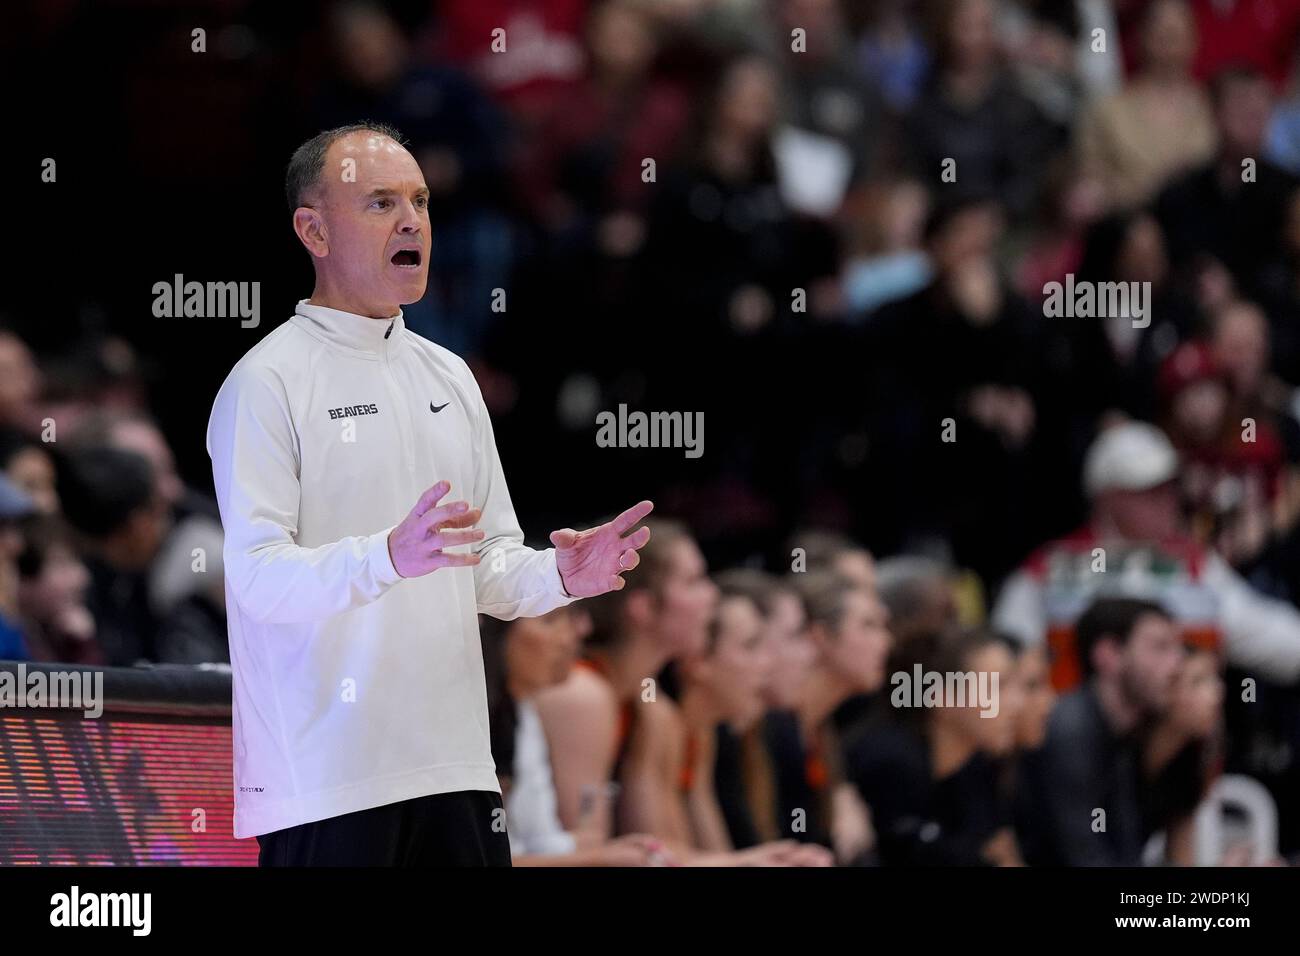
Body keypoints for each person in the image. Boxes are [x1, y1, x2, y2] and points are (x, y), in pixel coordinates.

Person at [206, 122, 654, 866]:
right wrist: (385, 556)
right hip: (328, 782)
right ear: (313, 231)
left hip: (458, 768)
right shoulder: (266, 382)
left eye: (419, 201)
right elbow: (255, 578)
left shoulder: (450, 375)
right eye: (381, 203)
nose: (412, 220)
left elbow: (485, 564)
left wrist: (559, 574)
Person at [993, 420, 1300, 688]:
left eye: (1169, 487)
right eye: (1148, 490)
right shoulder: (1049, 568)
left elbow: (1268, 635)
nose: (1166, 501)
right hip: (1071, 733)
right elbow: (1002, 663)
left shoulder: (1194, 564)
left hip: (1178, 734)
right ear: (1107, 498)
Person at [479, 607, 671, 865]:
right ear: (497, 636)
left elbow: (540, 841)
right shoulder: (477, 724)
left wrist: (617, 851)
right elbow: (486, 858)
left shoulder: (523, 711)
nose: (574, 633)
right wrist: (597, 858)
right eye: (550, 620)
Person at [1019, 597, 1184, 865]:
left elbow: (1126, 851)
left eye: (1177, 649)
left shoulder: (1124, 731)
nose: (1177, 664)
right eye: (1160, 647)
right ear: (1108, 655)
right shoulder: (1071, 733)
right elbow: (1084, 857)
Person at [846, 627, 1025, 866]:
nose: (1017, 703)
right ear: (944, 697)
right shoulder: (890, 765)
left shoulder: (979, 769)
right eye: (997, 687)